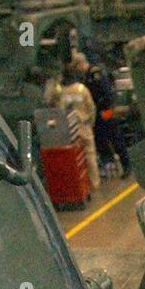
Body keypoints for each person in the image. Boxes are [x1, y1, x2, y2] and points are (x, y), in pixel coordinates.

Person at [45, 60, 101, 193]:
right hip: (84, 126)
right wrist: (90, 123)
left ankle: (78, 187)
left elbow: (50, 104)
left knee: (73, 160)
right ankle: (95, 184)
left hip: (67, 129)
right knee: (90, 156)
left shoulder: (59, 91)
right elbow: (92, 108)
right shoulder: (82, 89)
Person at [75, 52, 130, 179]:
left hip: (106, 110)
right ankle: (109, 165)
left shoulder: (95, 73)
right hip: (97, 113)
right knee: (101, 140)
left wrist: (109, 111)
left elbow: (107, 92)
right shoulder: (85, 77)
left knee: (115, 138)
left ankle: (126, 165)